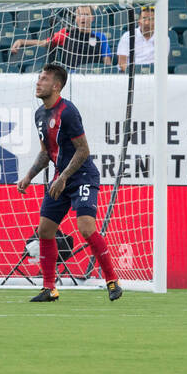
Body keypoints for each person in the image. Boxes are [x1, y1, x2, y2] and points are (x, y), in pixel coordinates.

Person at [16, 64, 122, 303]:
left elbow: (83, 150)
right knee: (45, 230)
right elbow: (46, 152)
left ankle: (112, 280)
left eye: (44, 79)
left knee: (85, 228)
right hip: (60, 178)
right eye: (39, 78)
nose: (38, 82)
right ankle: (49, 288)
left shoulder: (68, 112)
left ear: (56, 86)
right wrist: (29, 176)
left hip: (82, 176)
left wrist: (63, 177)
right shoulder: (40, 114)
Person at [11, 5, 112, 66]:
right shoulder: (66, 33)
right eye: (79, 15)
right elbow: (44, 43)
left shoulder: (100, 37)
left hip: (94, 76)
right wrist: (21, 41)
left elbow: (107, 61)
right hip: (73, 77)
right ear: (75, 18)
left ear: (92, 18)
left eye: (86, 15)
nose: (82, 18)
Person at [116, 6, 157, 71]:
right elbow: (122, 63)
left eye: (151, 19)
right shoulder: (127, 36)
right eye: (144, 18)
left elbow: (162, 63)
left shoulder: (163, 38)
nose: (147, 23)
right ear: (139, 21)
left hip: (153, 74)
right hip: (130, 73)